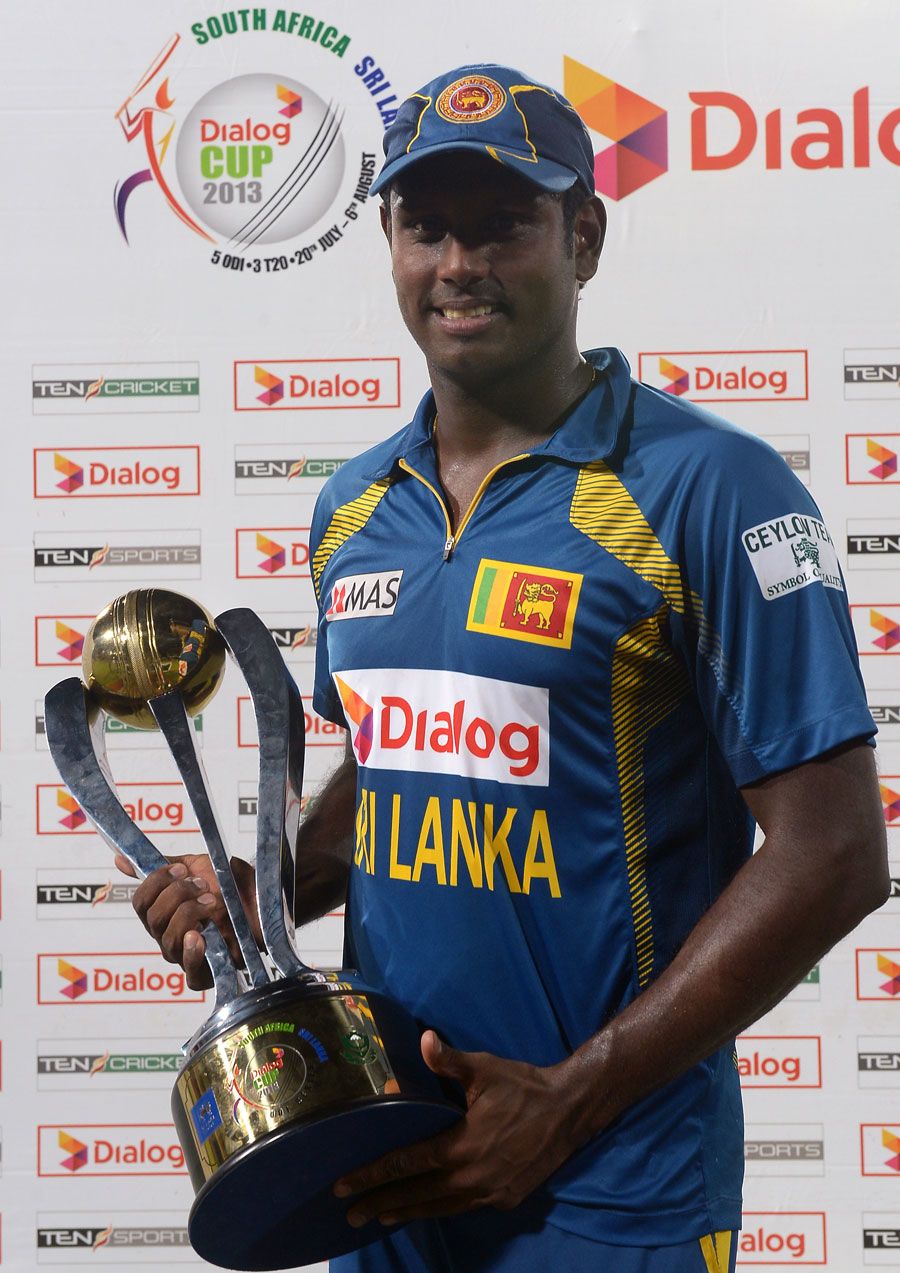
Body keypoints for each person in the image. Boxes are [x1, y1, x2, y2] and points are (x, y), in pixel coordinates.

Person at [121, 64, 888, 1273]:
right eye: (427, 227)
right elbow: (393, 767)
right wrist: (261, 891)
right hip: (377, 1152)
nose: (458, 264)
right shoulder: (351, 508)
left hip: (611, 1180)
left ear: (582, 235)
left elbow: (835, 853)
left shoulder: (706, 488)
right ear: (388, 242)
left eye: (501, 225)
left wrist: (573, 1097)